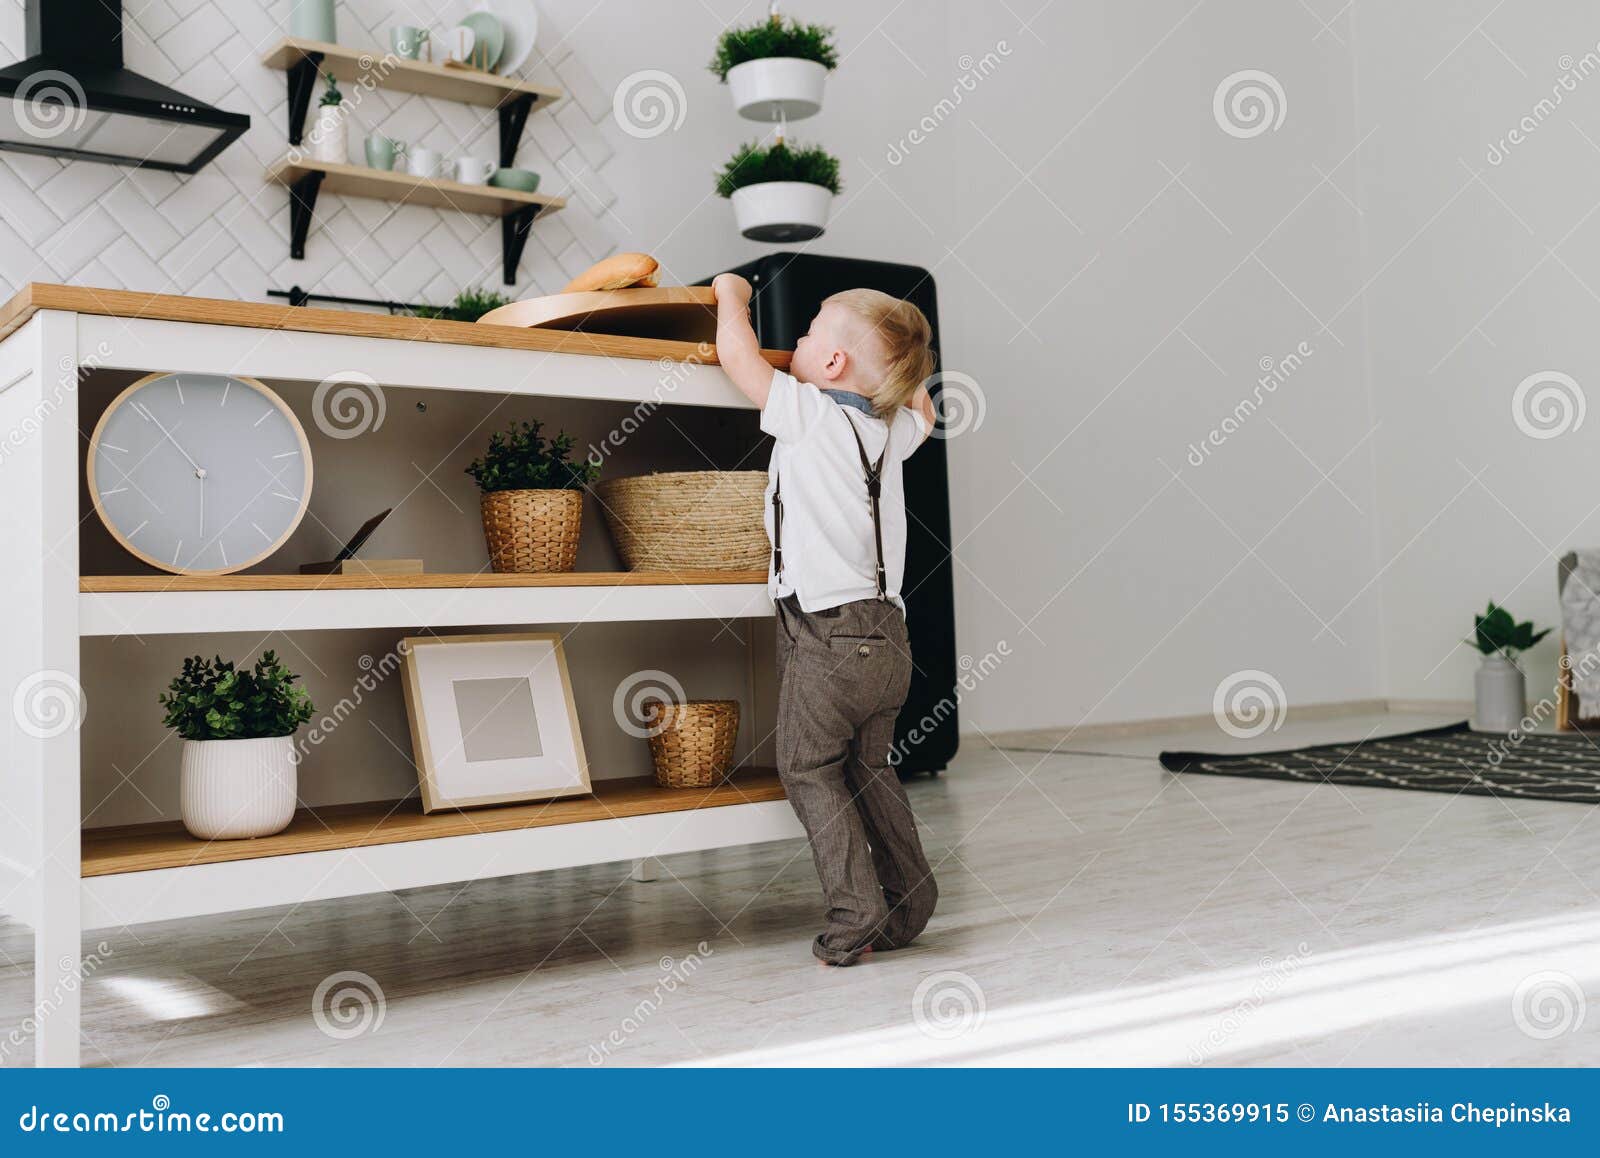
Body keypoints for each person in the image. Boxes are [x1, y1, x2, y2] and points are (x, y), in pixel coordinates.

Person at [712, 271, 940, 966]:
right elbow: (923, 409)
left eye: (808, 333)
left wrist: (732, 299)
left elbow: (738, 359)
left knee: (808, 768)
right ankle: (910, 898)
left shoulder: (808, 412)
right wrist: (902, 369)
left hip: (826, 633)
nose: (798, 343)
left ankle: (854, 913)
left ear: (831, 365)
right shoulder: (889, 430)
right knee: (870, 768)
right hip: (890, 638)